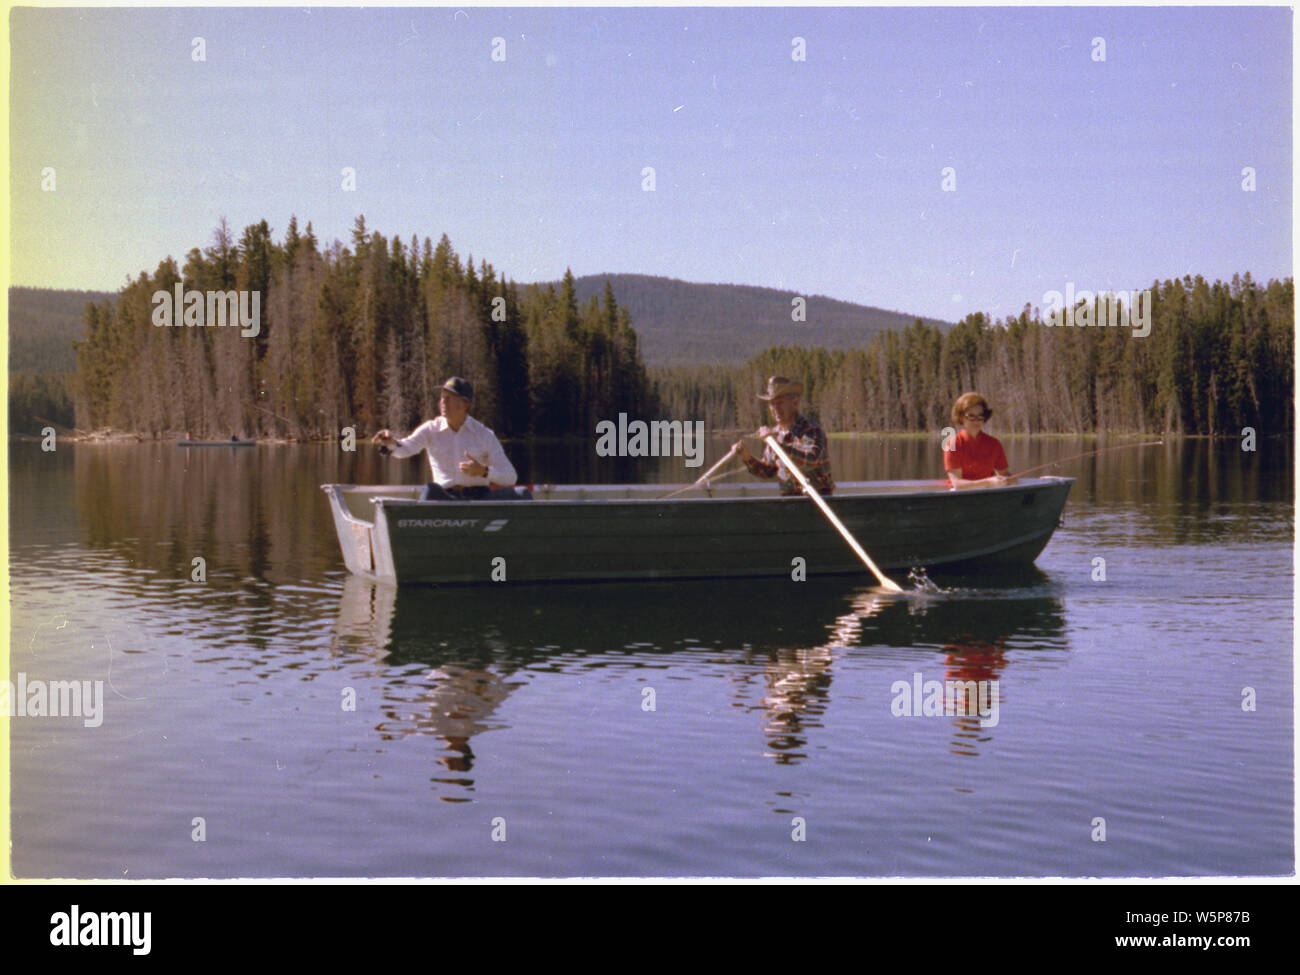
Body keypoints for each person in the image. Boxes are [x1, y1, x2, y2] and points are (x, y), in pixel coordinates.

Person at [372, 377, 530, 500]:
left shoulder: (484, 434)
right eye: (442, 398)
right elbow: (405, 448)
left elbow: (510, 477)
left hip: (480, 498)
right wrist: (391, 443)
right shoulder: (430, 429)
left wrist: (484, 472)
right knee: (429, 490)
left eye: (449, 398)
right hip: (445, 498)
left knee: (522, 493)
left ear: (465, 404)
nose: (443, 402)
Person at [733, 376, 834, 496]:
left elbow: (810, 461)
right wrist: (747, 457)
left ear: (794, 403)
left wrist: (778, 445)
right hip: (788, 500)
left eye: (780, 403)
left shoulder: (811, 429)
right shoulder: (775, 434)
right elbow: (768, 471)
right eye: (772, 404)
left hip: (817, 499)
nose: (775, 408)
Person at [944, 392, 1015, 489]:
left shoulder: (994, 444)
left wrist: (1010, 479)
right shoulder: (953, 445)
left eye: (980, 416)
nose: (976, 420)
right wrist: (988, 482)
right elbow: (958, 484)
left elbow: (1004, 474)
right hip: (959, 498)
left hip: (988, 495)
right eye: (971, 416)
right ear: (961, 417)